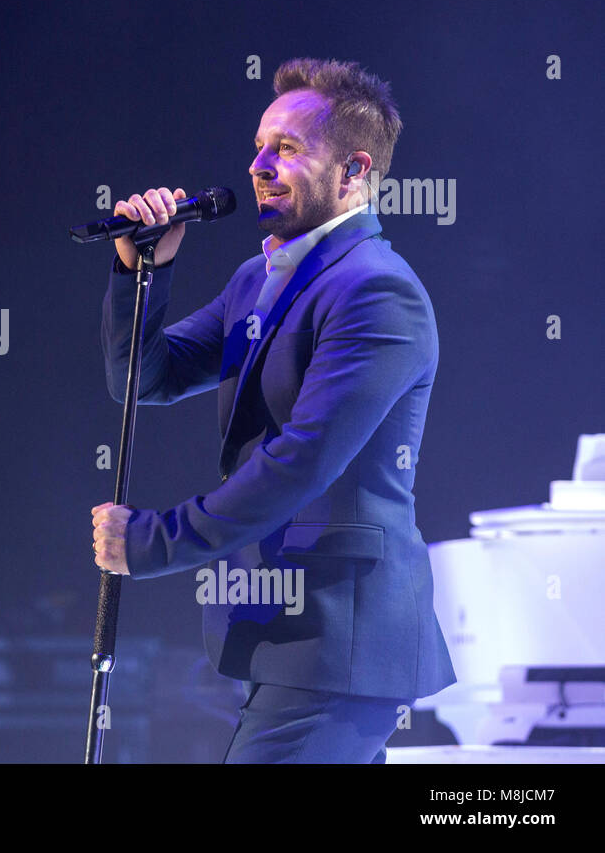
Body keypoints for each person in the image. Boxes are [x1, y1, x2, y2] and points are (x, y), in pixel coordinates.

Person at [90, 58, 455, 763]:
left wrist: (156, 540)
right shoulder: (258, 278)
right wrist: (146, 272)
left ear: (353, 171)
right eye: (259, 145)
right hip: (283, 633)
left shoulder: (377, 291)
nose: (258, 164)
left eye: (286, 148)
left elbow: (301, 461)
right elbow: (143, 378)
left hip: (339, 640)